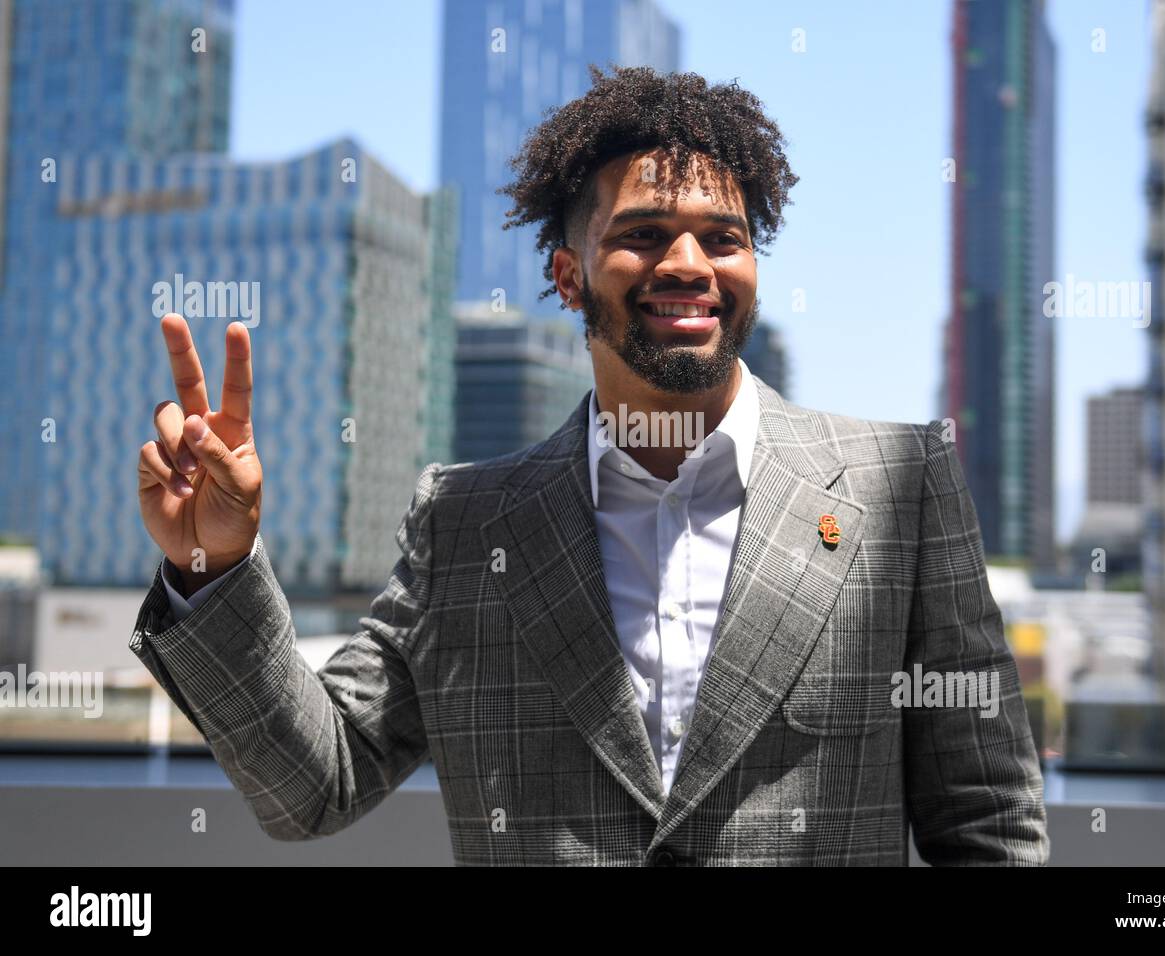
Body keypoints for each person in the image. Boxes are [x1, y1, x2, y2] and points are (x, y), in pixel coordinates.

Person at [132, 65, 1048, 866]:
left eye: (723, 237)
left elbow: (990, 822)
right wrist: (211, 566)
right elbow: (314, 784)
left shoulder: (901, 487)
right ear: (569, 277)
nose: (689, 263)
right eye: (644, 233)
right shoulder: (465, 524)